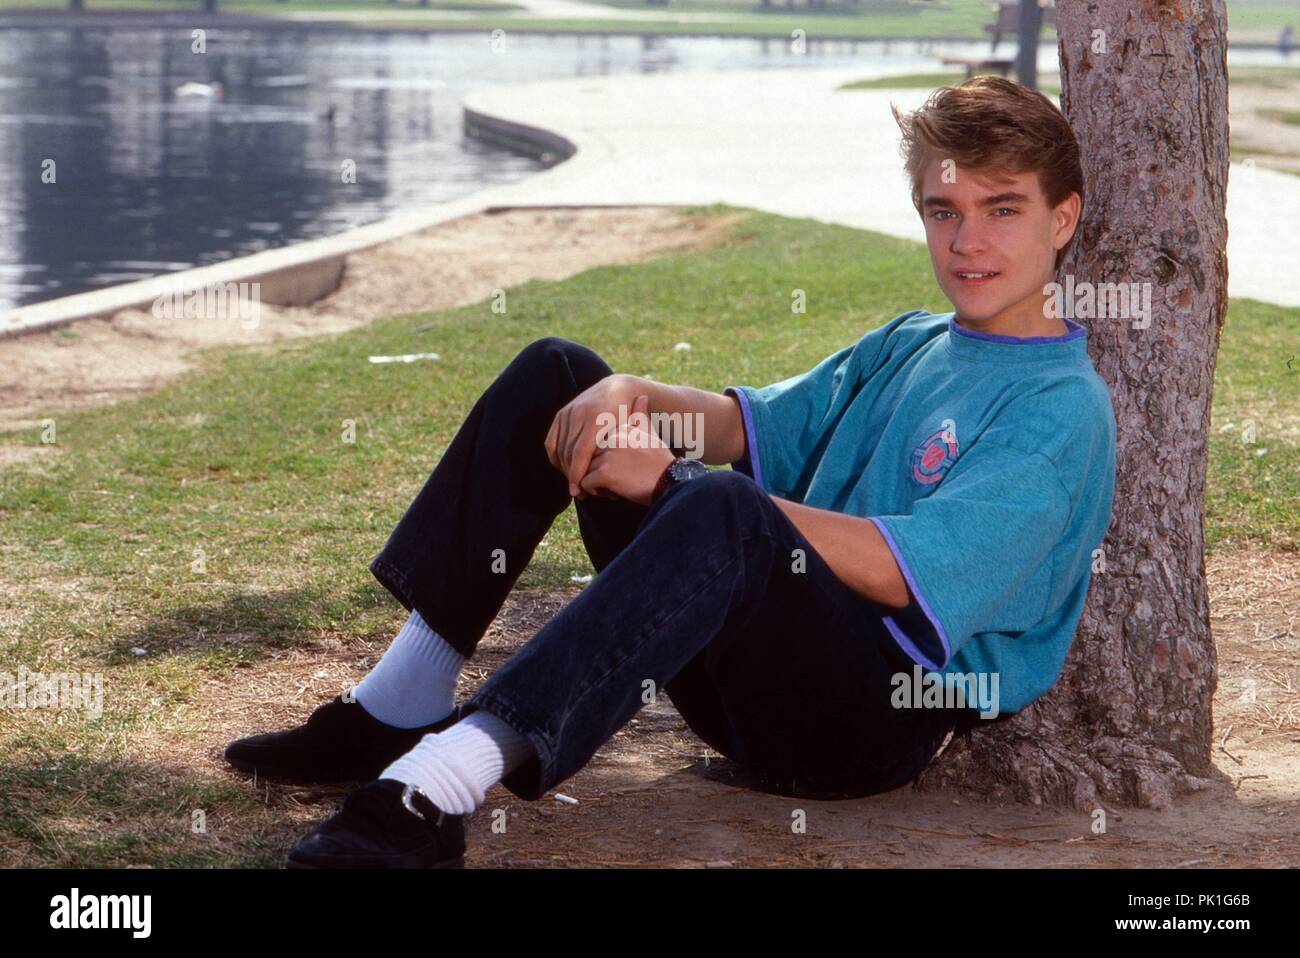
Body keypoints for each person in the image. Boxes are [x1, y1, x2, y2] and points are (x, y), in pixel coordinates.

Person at [224, 75, 1117, 868]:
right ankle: (398, 705)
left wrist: (675, 488)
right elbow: (746, 426)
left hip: (863, 720)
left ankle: (431, 791)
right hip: (747, 671)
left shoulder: (1061, 407)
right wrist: (637, 395)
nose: (968, 242)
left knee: (723, 507)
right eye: (944, 211)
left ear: (1062, 218)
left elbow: (899, 568)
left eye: (1003, 209)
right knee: (560, 377)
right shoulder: (912, 341)